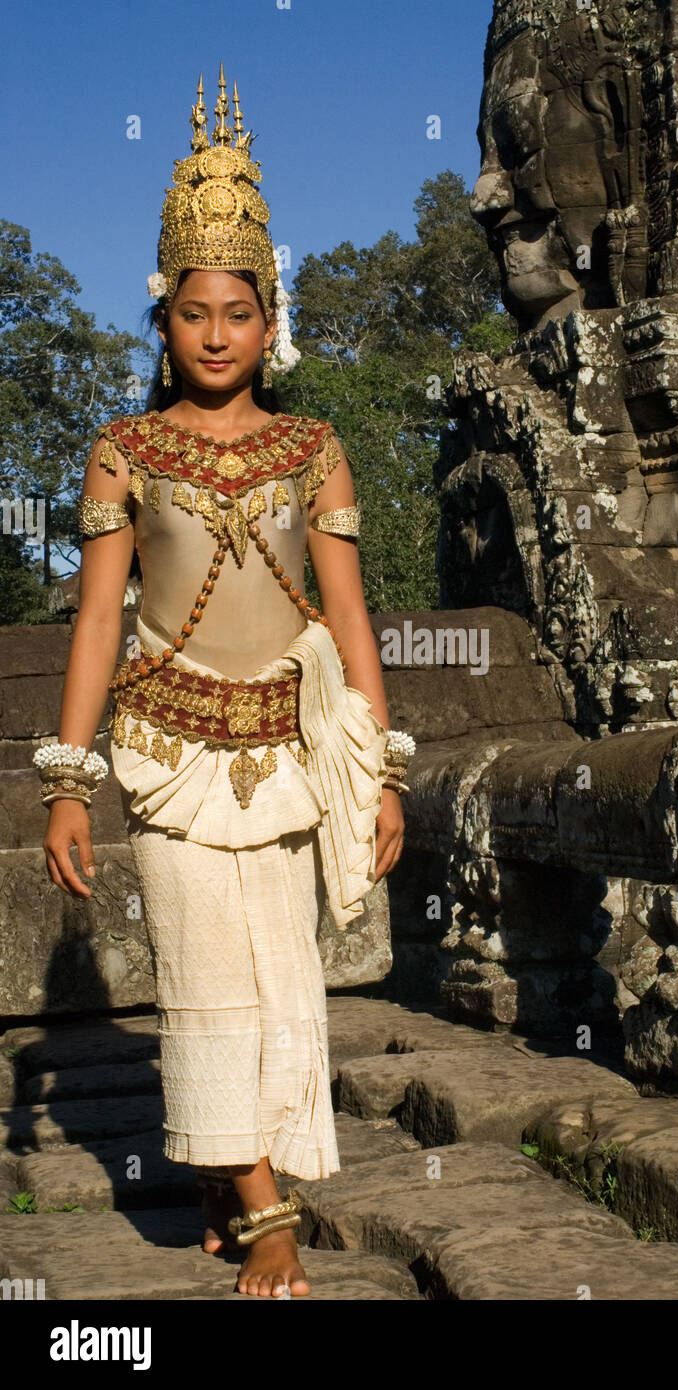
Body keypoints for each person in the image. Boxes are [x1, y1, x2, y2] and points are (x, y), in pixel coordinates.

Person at [37, 65, 415, 1299]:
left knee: (280, 981)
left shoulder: (317, 450)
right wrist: (67, 779)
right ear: (164, 322)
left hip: (296, 759)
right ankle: (270, 1218)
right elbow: (98, 619)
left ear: (272, 317)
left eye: (238, 311)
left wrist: (385, 765)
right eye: (194, 311)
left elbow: (349, 615)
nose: (215, 333)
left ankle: (219, 1173)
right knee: (205, 983)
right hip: (166, 749)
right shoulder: (123, 451)